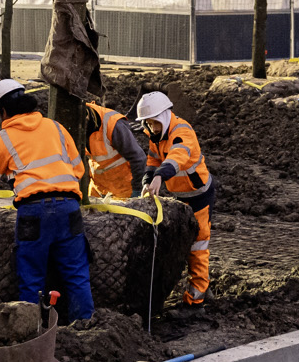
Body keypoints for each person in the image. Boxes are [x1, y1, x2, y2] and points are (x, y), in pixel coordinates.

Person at [0, 78, 95, 320]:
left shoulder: (4, 138)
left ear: (3, 110)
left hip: (33, 213)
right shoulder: (56, 127)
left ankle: (32, 329)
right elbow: (78, 168)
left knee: (31, 277)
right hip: (68, 207)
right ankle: (84, 326)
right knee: (77, 273)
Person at [134, 91, 215, 307]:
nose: (152, 127)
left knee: (197, 247)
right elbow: (153, 159)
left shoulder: (182, 132)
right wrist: (147, 179)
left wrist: (160, 176)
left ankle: (195, 302)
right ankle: (203, 287)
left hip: (199, 196)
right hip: (181, 196)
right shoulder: (157, 135)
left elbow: (177, 157)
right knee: (185, 244)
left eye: (155, 122)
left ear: (164, 115)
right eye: (148, 123)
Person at [83, 100, 146, 200]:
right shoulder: (75, 122)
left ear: (87, 117)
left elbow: (138, 158)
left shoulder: (113, 124)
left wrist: (137, 189)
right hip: (97, 188)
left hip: (123, 190)